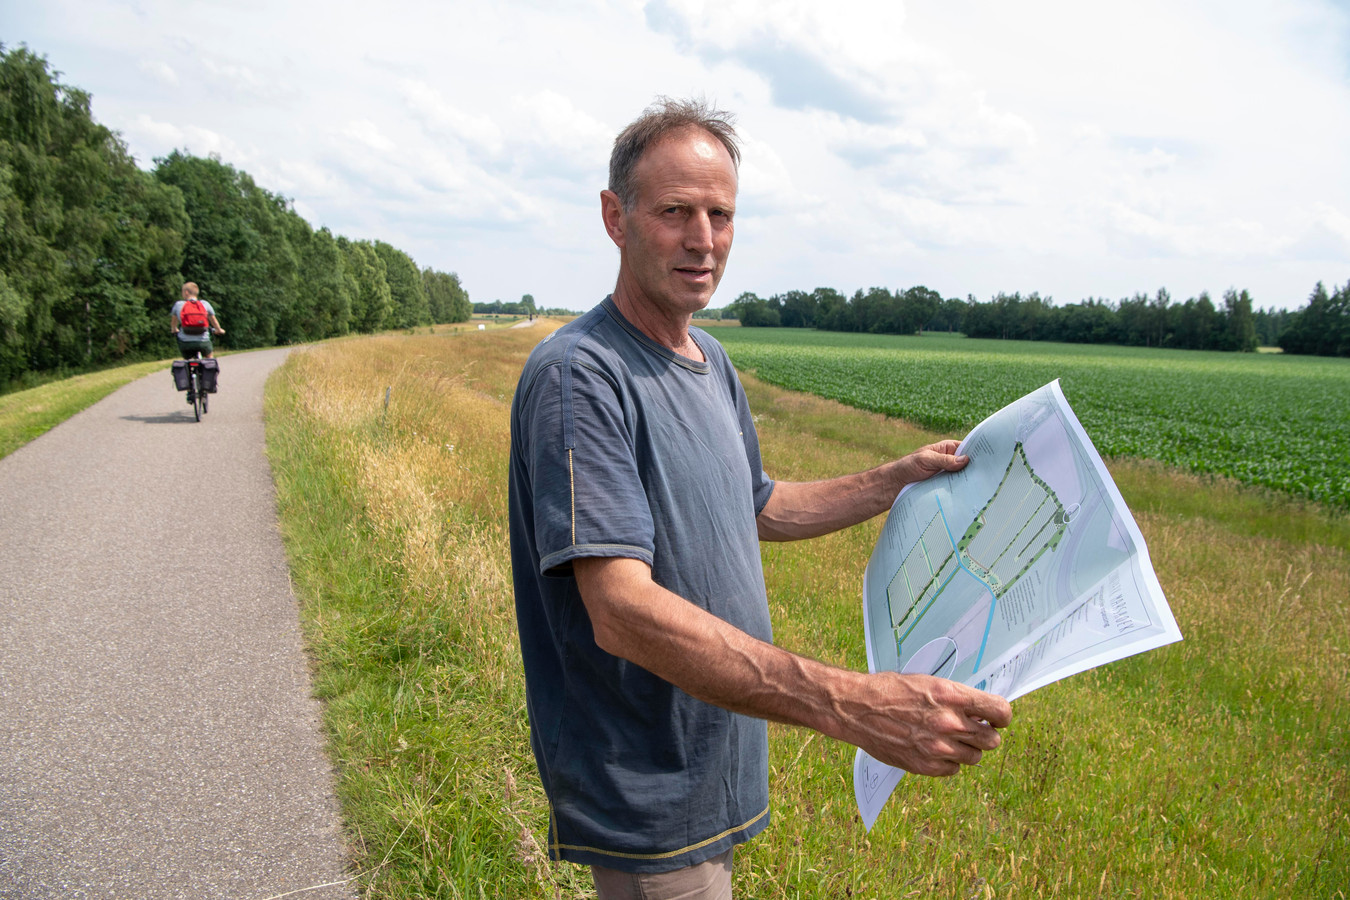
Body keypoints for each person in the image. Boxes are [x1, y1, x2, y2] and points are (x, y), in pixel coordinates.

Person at [508, 98, 1012, 899]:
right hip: (649, 789)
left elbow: (759, 506)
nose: (702, 240)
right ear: (615, 217)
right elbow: (620, 609)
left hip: (715, 777)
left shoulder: (708, 359)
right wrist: (852, 704)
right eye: (675, 212)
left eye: (720, 214)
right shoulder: (582, 376)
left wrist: (893, 480)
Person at [170, 282, 225, 360]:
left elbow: (173, 323)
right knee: (209, 358)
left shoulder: (178, 305)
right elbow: (214, 322)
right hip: (203, 342)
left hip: (185, 343)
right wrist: (219, 330)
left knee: (187, 360)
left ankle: (187, 368)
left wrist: (174, 329)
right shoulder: (205, 304)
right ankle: (208, 369)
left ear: (186, 292)